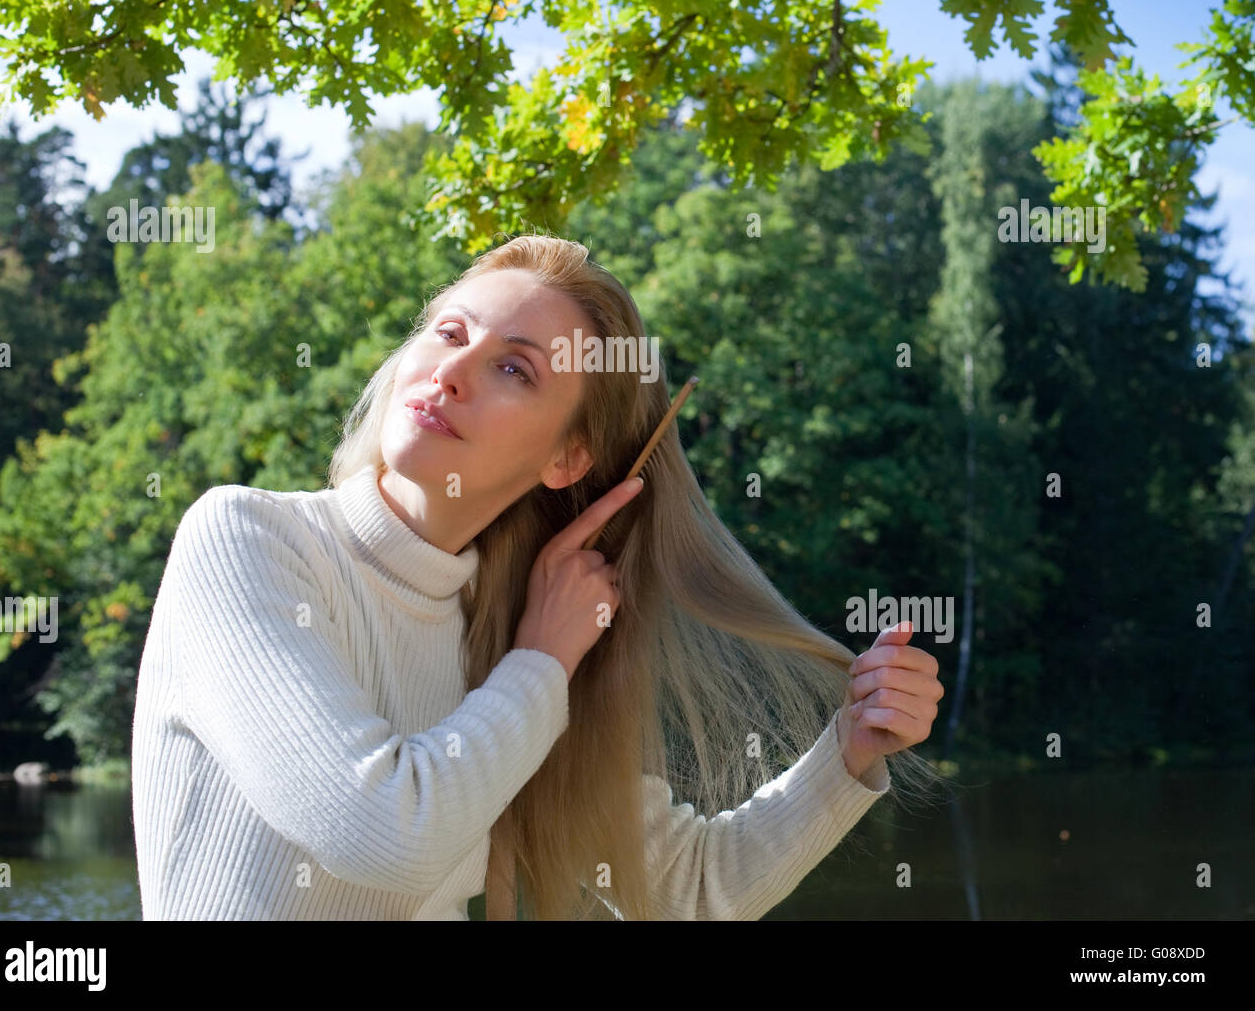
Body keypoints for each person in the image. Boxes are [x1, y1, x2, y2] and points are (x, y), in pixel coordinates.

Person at [132, 233, 945, 920]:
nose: (452, 374)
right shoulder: (247, 539)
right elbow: (378, 831)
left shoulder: (515, 636)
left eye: (514, 370)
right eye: (450, 332)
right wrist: (544, 663)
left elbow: (694, 888)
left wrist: (849, 748)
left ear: (567, 458)